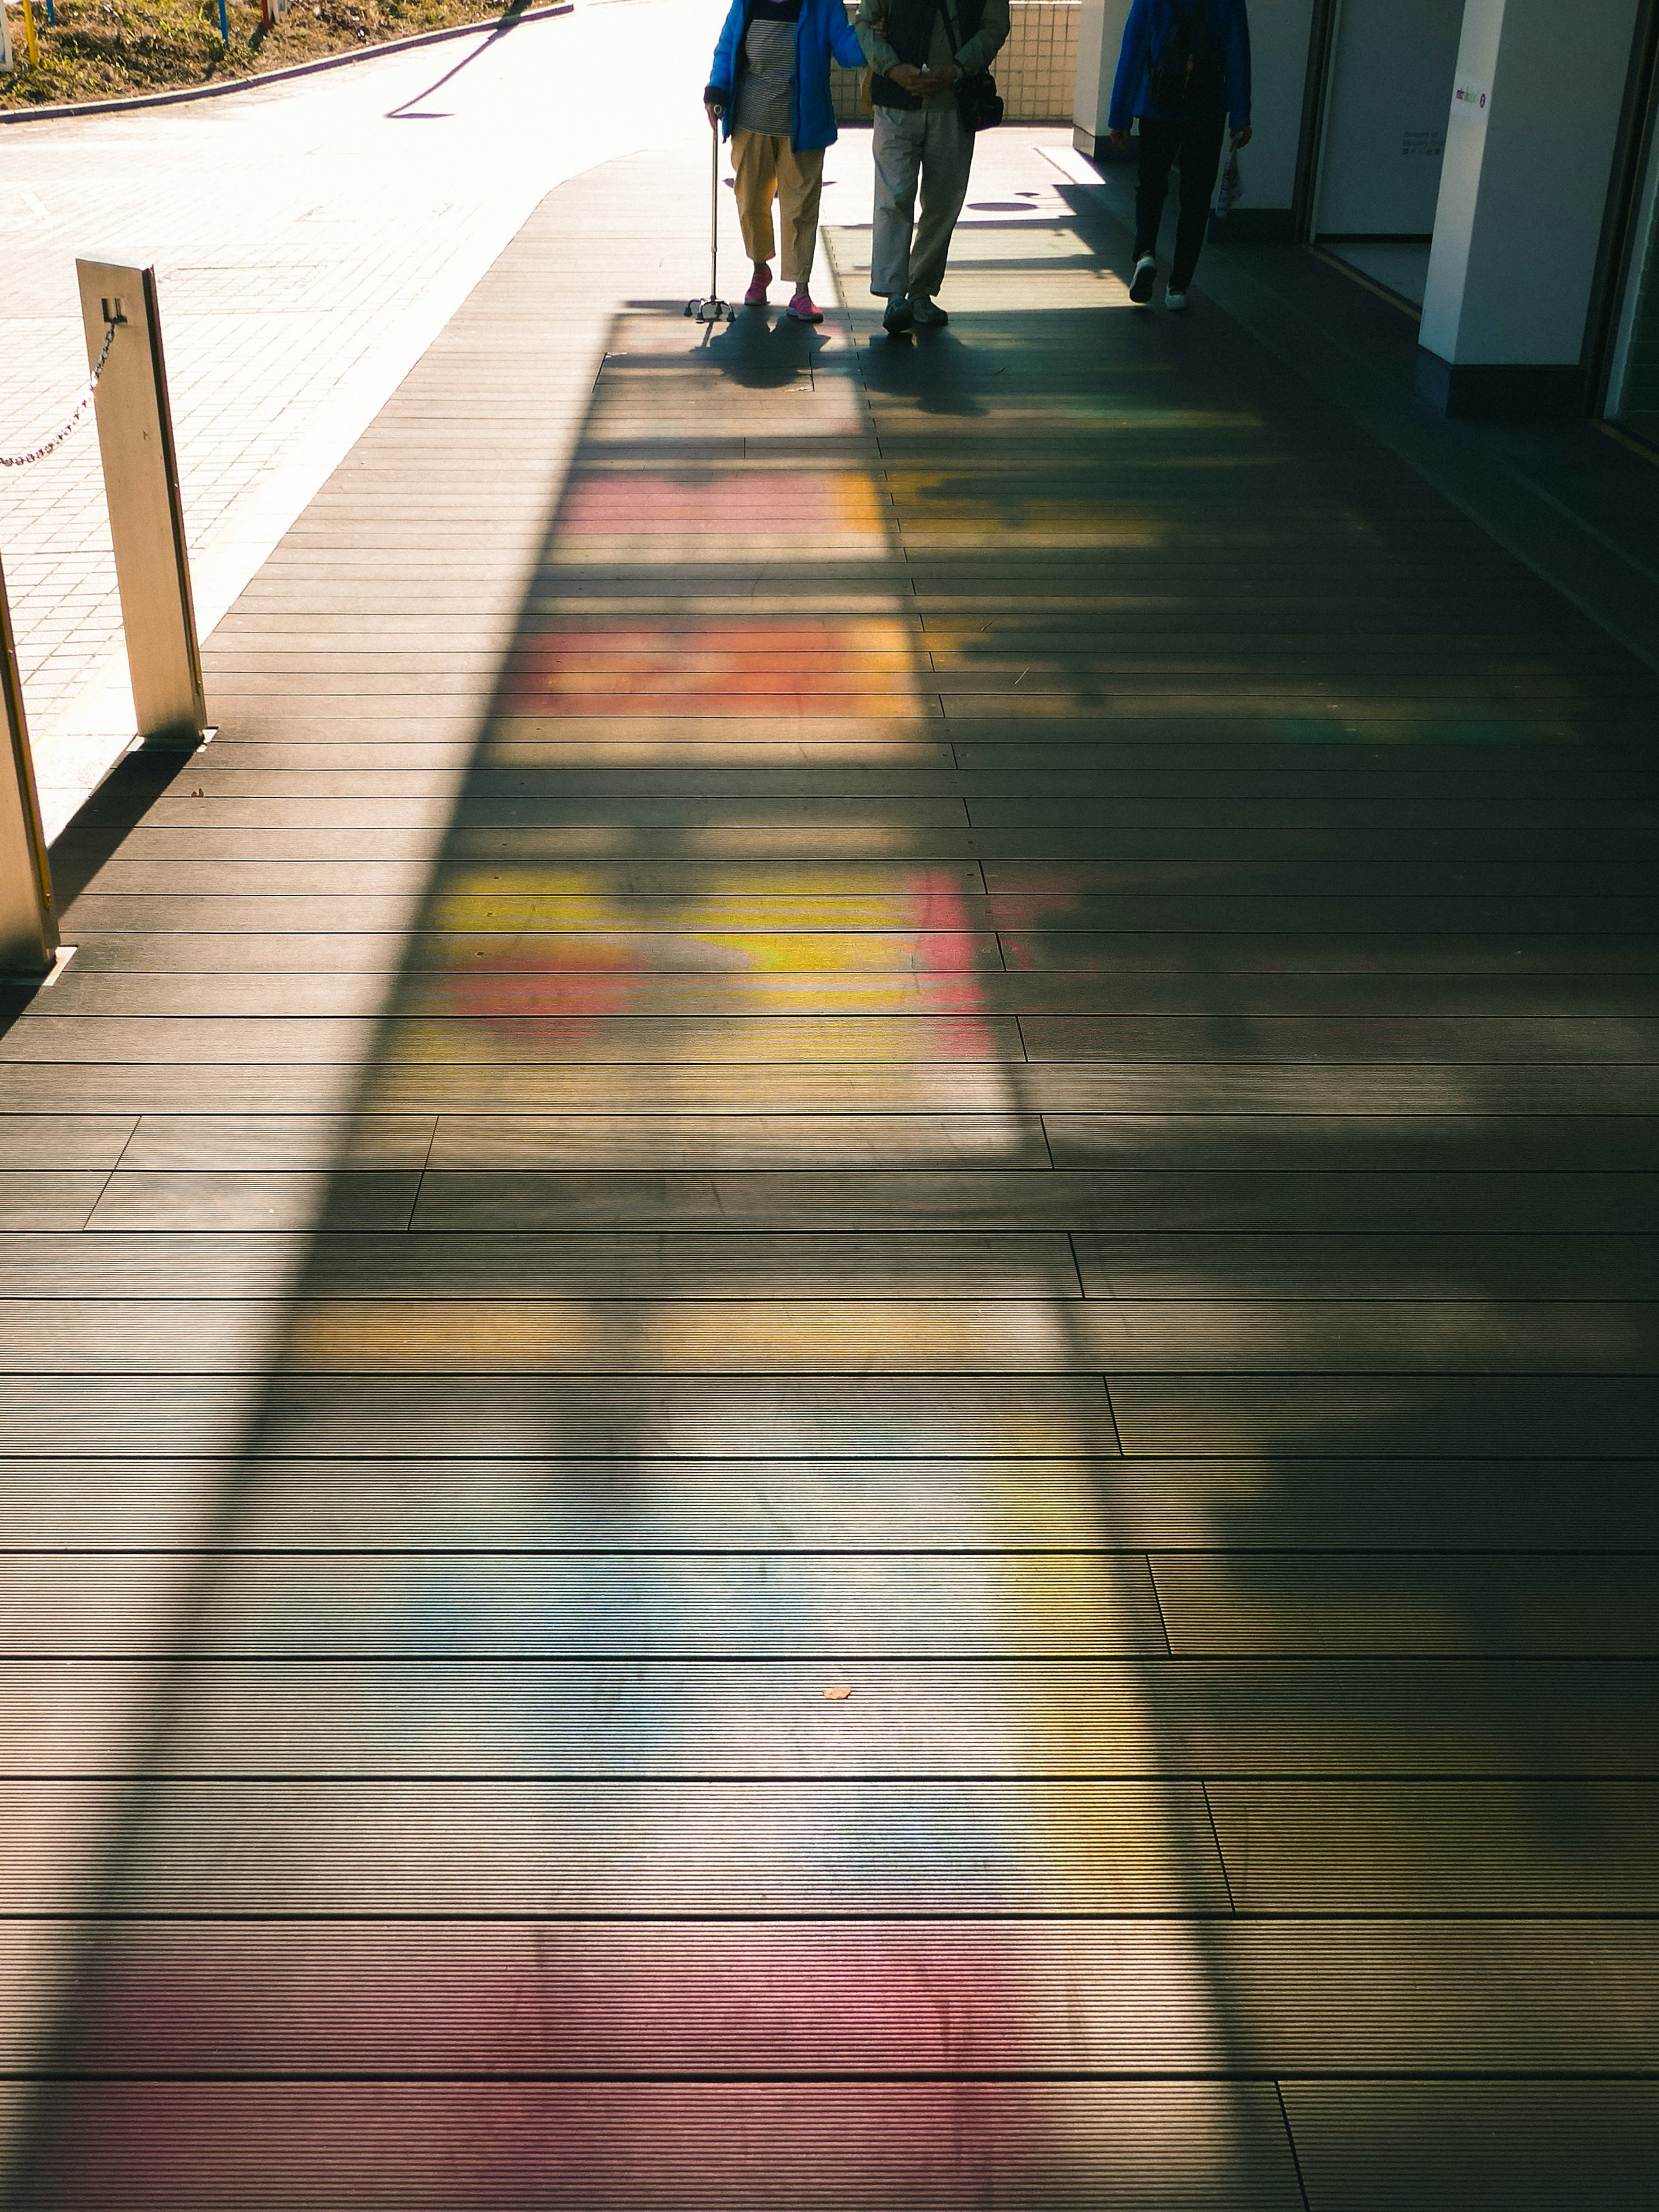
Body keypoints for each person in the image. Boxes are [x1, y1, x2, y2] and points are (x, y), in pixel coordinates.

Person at [705, 0, 866, 323]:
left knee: (800, 207)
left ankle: (801, 291)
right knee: (751, 202)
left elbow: (849, 53)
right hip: (751, 123)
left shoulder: (823, 5)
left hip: (803, 126)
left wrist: (872, 29)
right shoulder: (748, 3)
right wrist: (716, 89)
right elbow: (727, 46)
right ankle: (759, 269)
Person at [856, 0, 1010, 334]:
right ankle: (895, 293)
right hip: (895, 99)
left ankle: (921, 290)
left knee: (943, 202)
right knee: (893, 197)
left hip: (953, 102)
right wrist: (892, 68)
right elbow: (865, 23)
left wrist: (957, 68)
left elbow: (996, 25)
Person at [1108, 0, 1252, 312]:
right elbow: (1238, 53)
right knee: (1196, 199)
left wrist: (1120, 116)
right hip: (1207, 110)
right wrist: (1241, 116)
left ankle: (1146, 253)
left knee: (1151, 187)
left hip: (1157, 106)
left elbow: (1133, 49)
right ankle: (1179, 287)